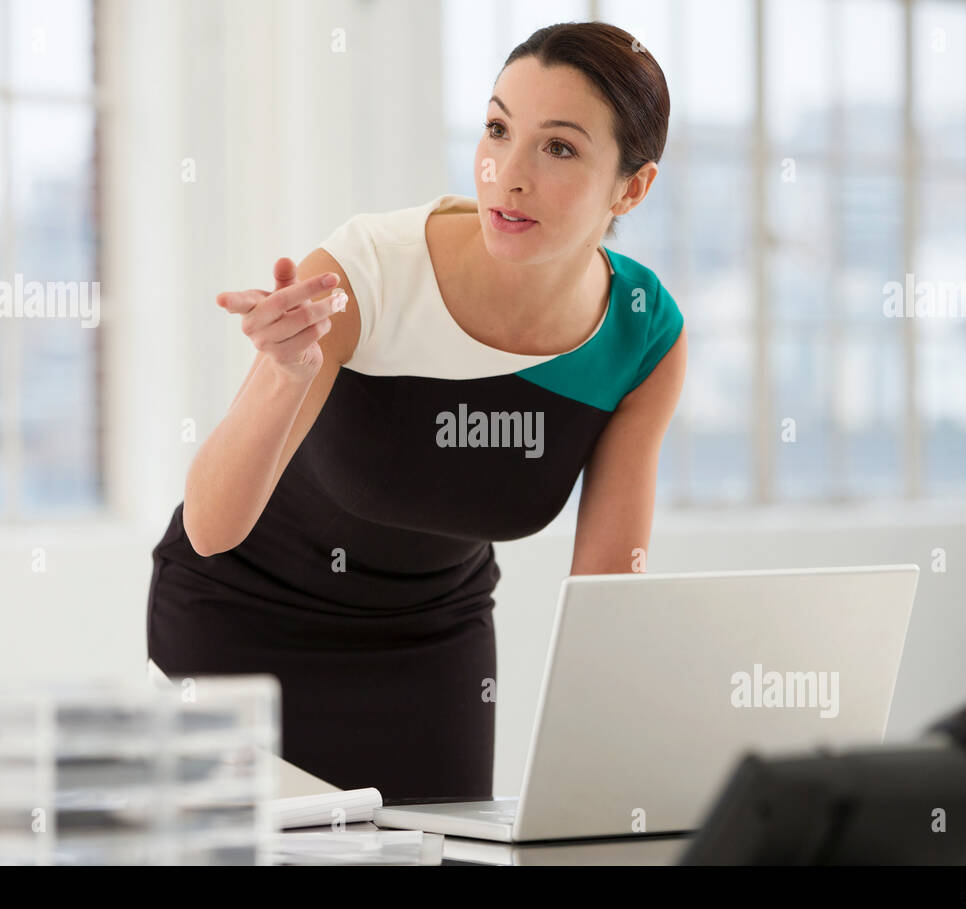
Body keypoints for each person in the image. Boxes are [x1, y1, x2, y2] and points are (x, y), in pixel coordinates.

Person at [146, 21, 687, 805]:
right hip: (243, 617)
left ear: (632, 188)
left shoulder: (642, 335)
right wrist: (284, 372)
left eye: (559, 148)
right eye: (498, 129)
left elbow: (608, 601)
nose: (507, 173)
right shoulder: (369, 271)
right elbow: (210, 527)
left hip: (434, 641)